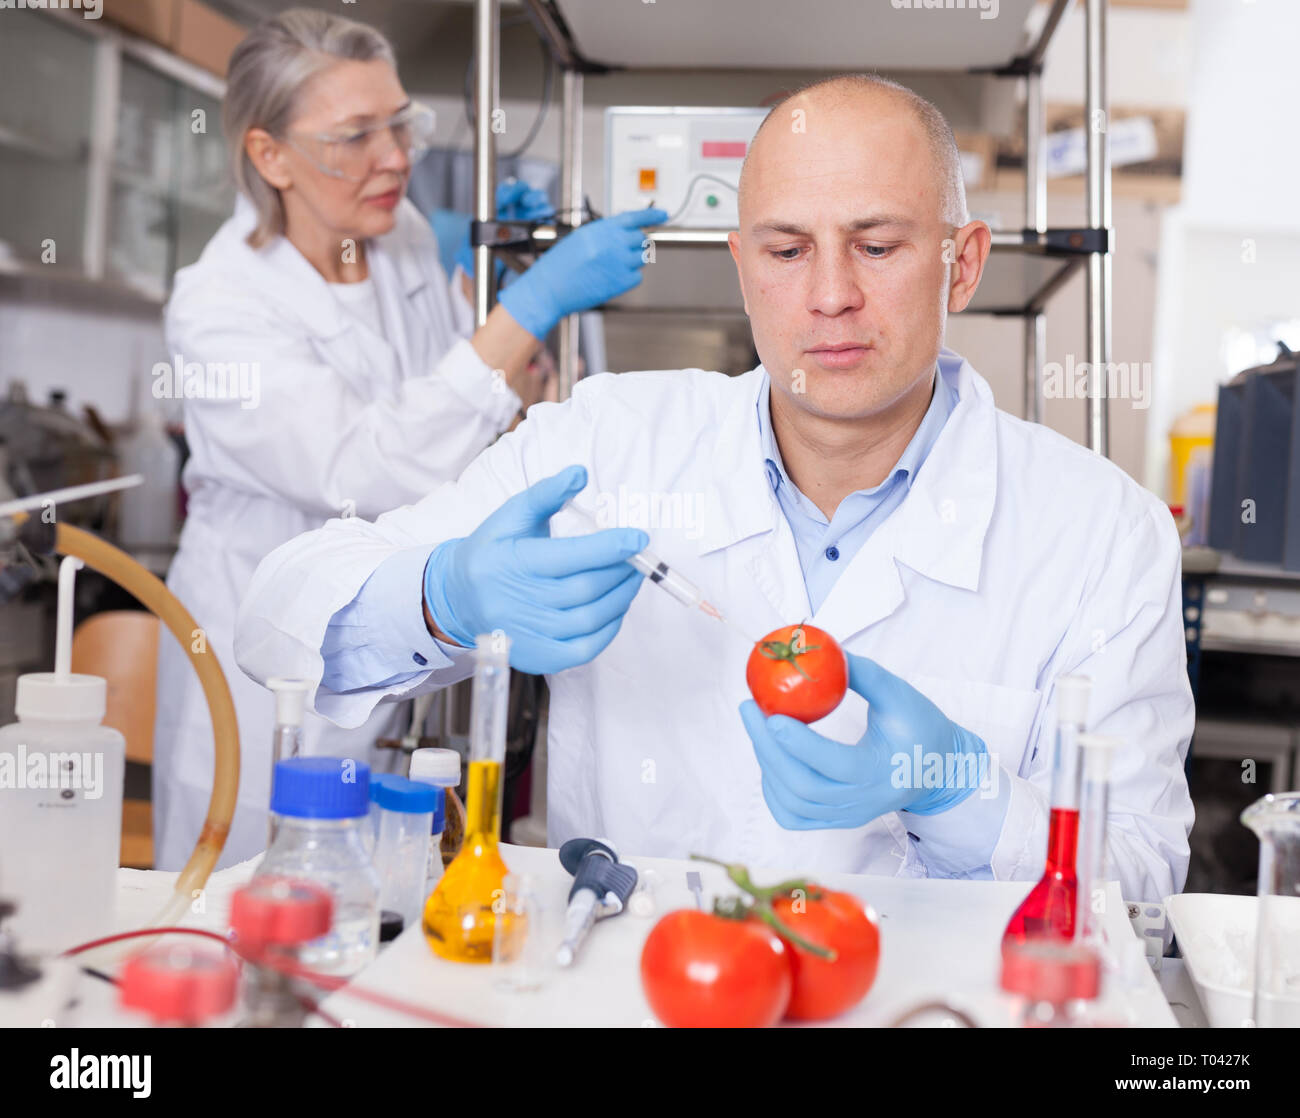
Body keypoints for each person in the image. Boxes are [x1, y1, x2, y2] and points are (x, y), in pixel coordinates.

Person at [235, 74, 1194, 904]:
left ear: (963, 262)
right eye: (786, 251)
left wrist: (958, 792)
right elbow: (275, 620)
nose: (828, 297)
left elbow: (1143, 875)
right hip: (624, 989)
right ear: (743, 270)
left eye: (877, 245)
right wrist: (444, 595)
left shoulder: (1104, 533)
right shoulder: (606, 441)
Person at [153, 8, 664, 869]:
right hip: (261, 649)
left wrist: (492, 284)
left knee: (379, 892)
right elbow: (366, 465)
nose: (395, 158)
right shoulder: (218, 308)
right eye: (355, 136)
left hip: (398, 616)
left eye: (401, 124)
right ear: (268, 155)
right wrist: (530, 306)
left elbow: (449, 406)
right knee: (246, 887)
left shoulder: (401, 238)